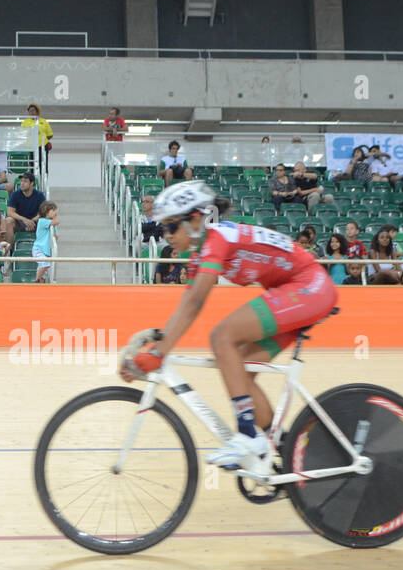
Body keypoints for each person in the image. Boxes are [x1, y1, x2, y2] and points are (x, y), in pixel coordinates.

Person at [118, 180, 338, 478]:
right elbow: (187, 303)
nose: (165, 235)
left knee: (222, 337)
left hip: (308, 286)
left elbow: (197, 302)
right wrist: (157, 342)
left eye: (171, 227)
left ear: (195, 219)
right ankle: (286, 450)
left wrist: (159, 352)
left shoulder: (217, 239)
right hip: (294, 289)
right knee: (240, 371)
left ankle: (248, 436)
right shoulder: (201, 251)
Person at [22, 103, 53, 171]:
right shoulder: (25, 122)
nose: (31, 112)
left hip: (41, 146)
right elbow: (22, 133)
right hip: (30, 147)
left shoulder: (44, 121)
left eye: (33, 110)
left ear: (37, 111)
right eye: (30, 111)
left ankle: (43, 178)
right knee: (31, 165)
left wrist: (42, 139)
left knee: (43, 165)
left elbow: (50, 135)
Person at [33, 201, 58, 283]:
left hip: (46, 251)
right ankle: (36, 280)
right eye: (53, 210)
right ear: (46, 211)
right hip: (38, 249)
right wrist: (54, 218)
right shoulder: (42, 221)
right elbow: (56, 222)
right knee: (45, 264)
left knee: (43, 270)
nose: (55, 212)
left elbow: (56, 237)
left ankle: (39, 281)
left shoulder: (51, 225)